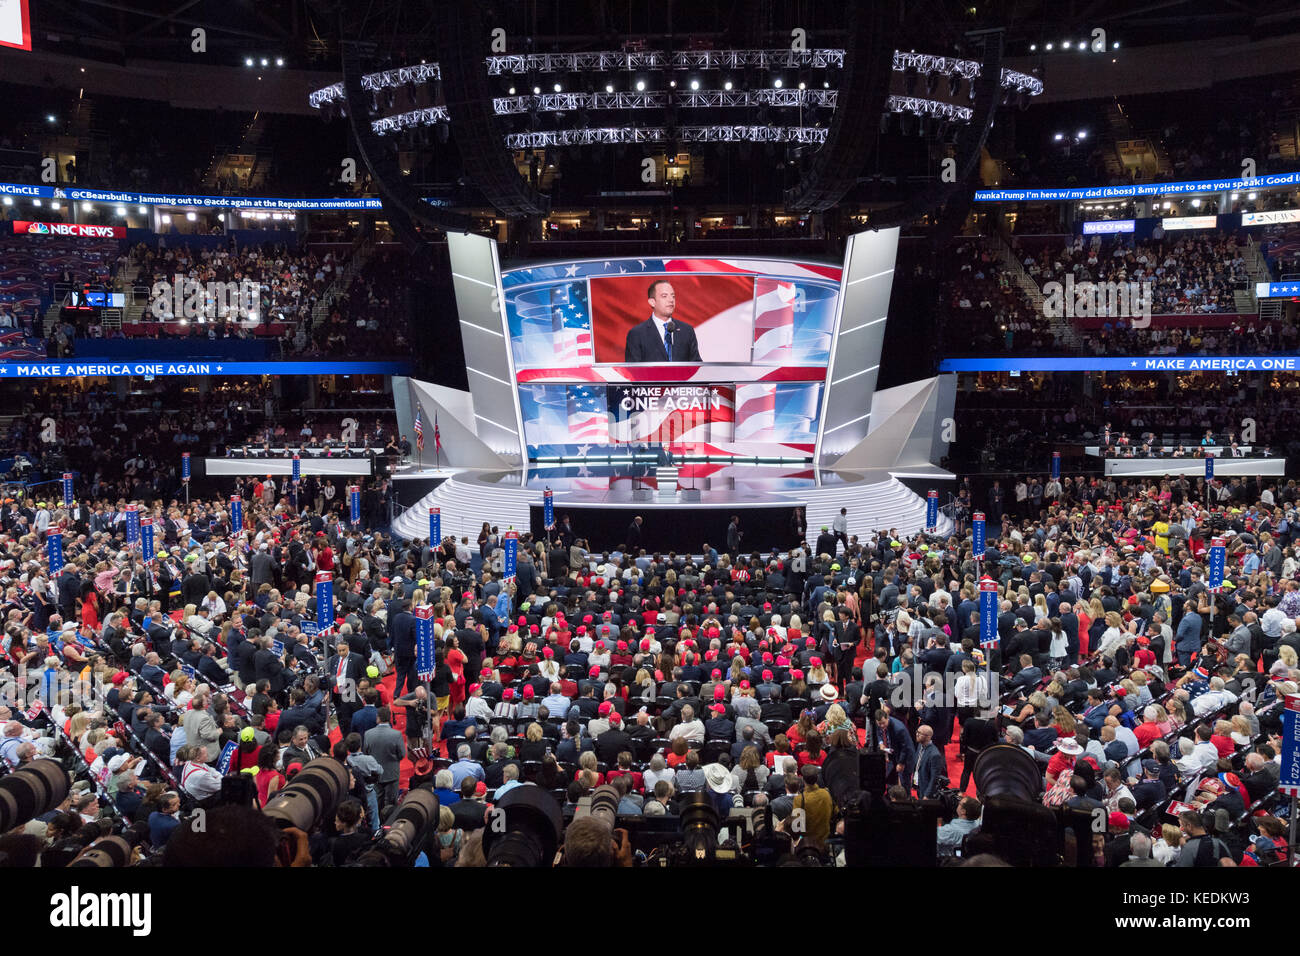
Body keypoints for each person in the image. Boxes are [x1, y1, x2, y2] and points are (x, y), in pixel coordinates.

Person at [624, 280, 702, 362]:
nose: (671, 300)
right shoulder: (637, 334)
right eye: (664, 296)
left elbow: (697, 366)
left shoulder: (687, 331)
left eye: (673, 296)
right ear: (652, 302)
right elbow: (632, 372)